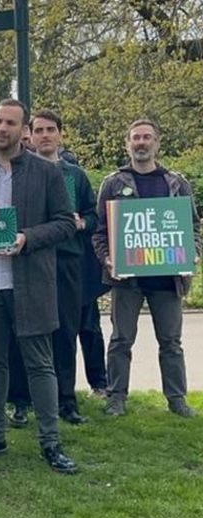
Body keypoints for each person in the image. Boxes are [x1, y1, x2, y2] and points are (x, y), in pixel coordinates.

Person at [0, 99, 78, 474]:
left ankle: (51, 443)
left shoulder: (46, 172)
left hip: (30, 281)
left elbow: (65, 223)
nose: (1, 128)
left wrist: (27, 238)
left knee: (40, 364)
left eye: (9, 123)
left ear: (24, 131)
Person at [92, 119, 202, 417]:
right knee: (120, 340)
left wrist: (192, 254)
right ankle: (116, 398)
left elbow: (193, 228)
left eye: (147, 138)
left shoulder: (177, 183)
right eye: (135, 138)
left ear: (157, 143)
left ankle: (177, 400)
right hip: (127, 279)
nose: (141, 143)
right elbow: (100, 232)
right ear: (127, 144)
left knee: (171, 343)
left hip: (168, 279)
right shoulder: (113, 183)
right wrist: (107, 259)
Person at [6, 110, 98, 426]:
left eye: (51, 130)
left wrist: (83, 222)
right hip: (29, 261)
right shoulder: (18, 172)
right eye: (39, 130)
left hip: (67, 263)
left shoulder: (76, 175)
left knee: (66, 331)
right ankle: (20, 399)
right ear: (29, 135)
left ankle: (66, 400)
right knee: (23, 332)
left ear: (60, 134)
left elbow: (94, 215)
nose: (45, 135)